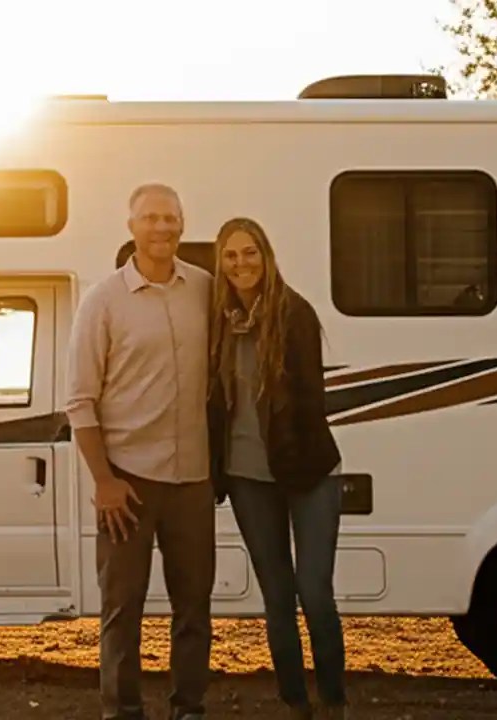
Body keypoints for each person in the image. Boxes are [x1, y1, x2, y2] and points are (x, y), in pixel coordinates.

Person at [65, 183, 216, 720]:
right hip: (127, 483)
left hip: (194, 480)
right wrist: (104, 482)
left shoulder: (204, 289)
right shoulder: (102, 301)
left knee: (194, 608)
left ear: (183, 224)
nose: (161, 227)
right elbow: (80, 401)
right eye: (150, 218)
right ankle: (122, 712)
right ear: (131, 227)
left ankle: (189, 708)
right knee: (121, 610)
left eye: (170, 218)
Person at [207, 217, 347, 719]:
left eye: (250, 253)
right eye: (230, 256)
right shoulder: (217, 321)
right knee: (277, 595)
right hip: (248, 478)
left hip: (307, 471)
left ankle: (333, 702)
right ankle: (296, 704)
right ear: (220, 264)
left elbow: (311, 401)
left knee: (314, 590)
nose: (241, 264)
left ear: (266, 257)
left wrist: (291, 462)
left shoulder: (294, 313)